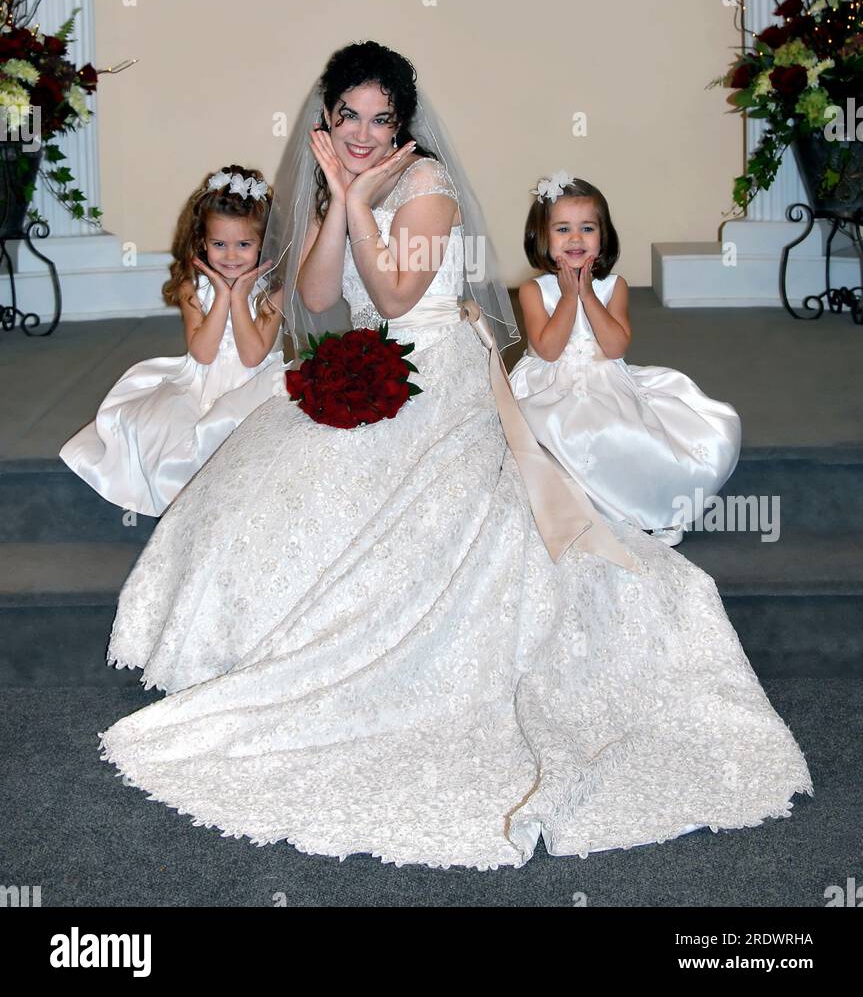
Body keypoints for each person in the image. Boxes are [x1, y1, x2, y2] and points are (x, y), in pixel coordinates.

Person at [96, 42, 811, 870]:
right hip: (371, 358)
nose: (362, 135)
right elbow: (324, 296)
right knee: (266, 471)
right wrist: (337, 197)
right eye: (347, 119)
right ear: (327, 120)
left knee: (406, 497)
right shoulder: (347, 179)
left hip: (434, 367)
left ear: (402, 123)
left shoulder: (426, 189)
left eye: (379, 120)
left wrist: (358, 196)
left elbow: (399, 294)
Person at [509, 173, 742, 547]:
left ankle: (652, 507)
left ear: (603, 237)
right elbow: (549, 350)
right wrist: (569, 298)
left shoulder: (613, 285)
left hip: (605, 377)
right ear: (542, 237)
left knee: (630, 433)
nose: (575, 239)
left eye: (587, 228)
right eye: (563, 229)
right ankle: (587, 511)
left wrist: (588, 295)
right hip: (548, 383)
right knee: (567, 429)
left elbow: (616, 346)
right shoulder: (533, 290)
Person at [60, 166, 284, 517]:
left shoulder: (273, 291)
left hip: (255, 382)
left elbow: (253, 355)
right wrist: (221, 297)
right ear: (201, 242)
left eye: (244, 244)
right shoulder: (191, 287)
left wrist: (240, 297)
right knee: (157, 428)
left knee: (233, 424)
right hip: (200, 379)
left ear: (264, 243)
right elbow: (203, 352)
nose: (230, 255)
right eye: (219, 244)